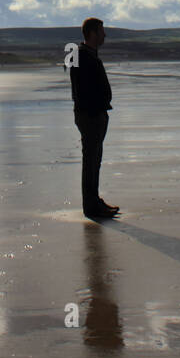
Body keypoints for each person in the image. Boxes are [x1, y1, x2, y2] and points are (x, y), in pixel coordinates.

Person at [68, 18, 119, 219]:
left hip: (94, 114)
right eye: (101, 31)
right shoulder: (80, 56)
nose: (104, 35)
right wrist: (95, 110)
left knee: (94, 160)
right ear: (92, 33)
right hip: (90, 116)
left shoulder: (88, 55)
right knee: (91, 161)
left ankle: (94, 201)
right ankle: (91, 206)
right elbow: (81, 90)